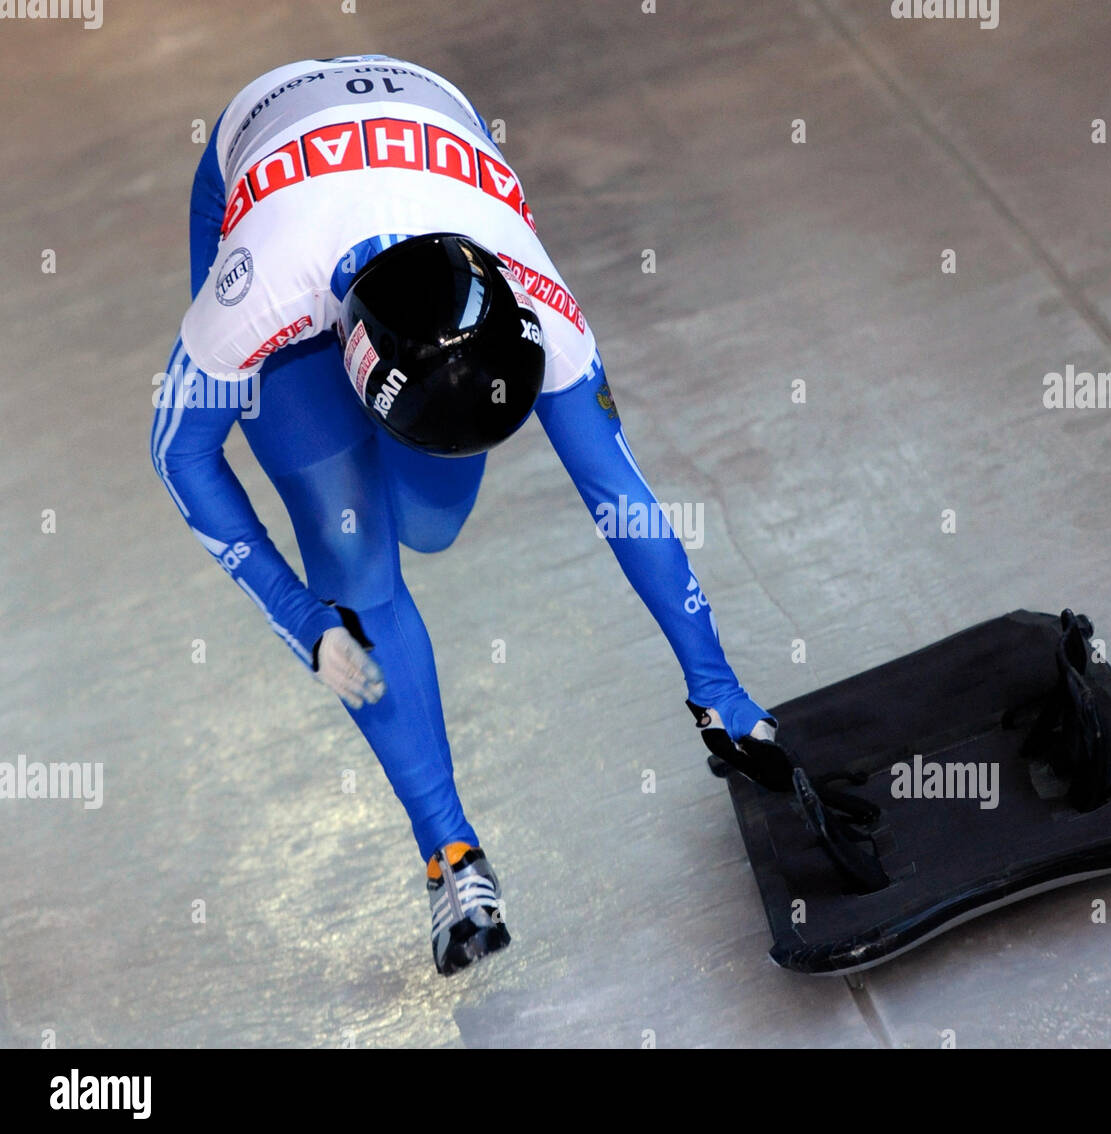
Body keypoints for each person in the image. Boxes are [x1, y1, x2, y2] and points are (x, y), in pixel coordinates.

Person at [151, 54, 791, 977]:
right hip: (265, 186)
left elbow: (624, 496)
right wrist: (303, 617)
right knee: (352, 549)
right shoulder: (261, 288)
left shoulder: (541, 302)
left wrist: (716, 686)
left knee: (431, 520)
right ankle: (450, 853)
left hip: (432, 152)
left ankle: (412, 479)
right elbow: (178, 451)